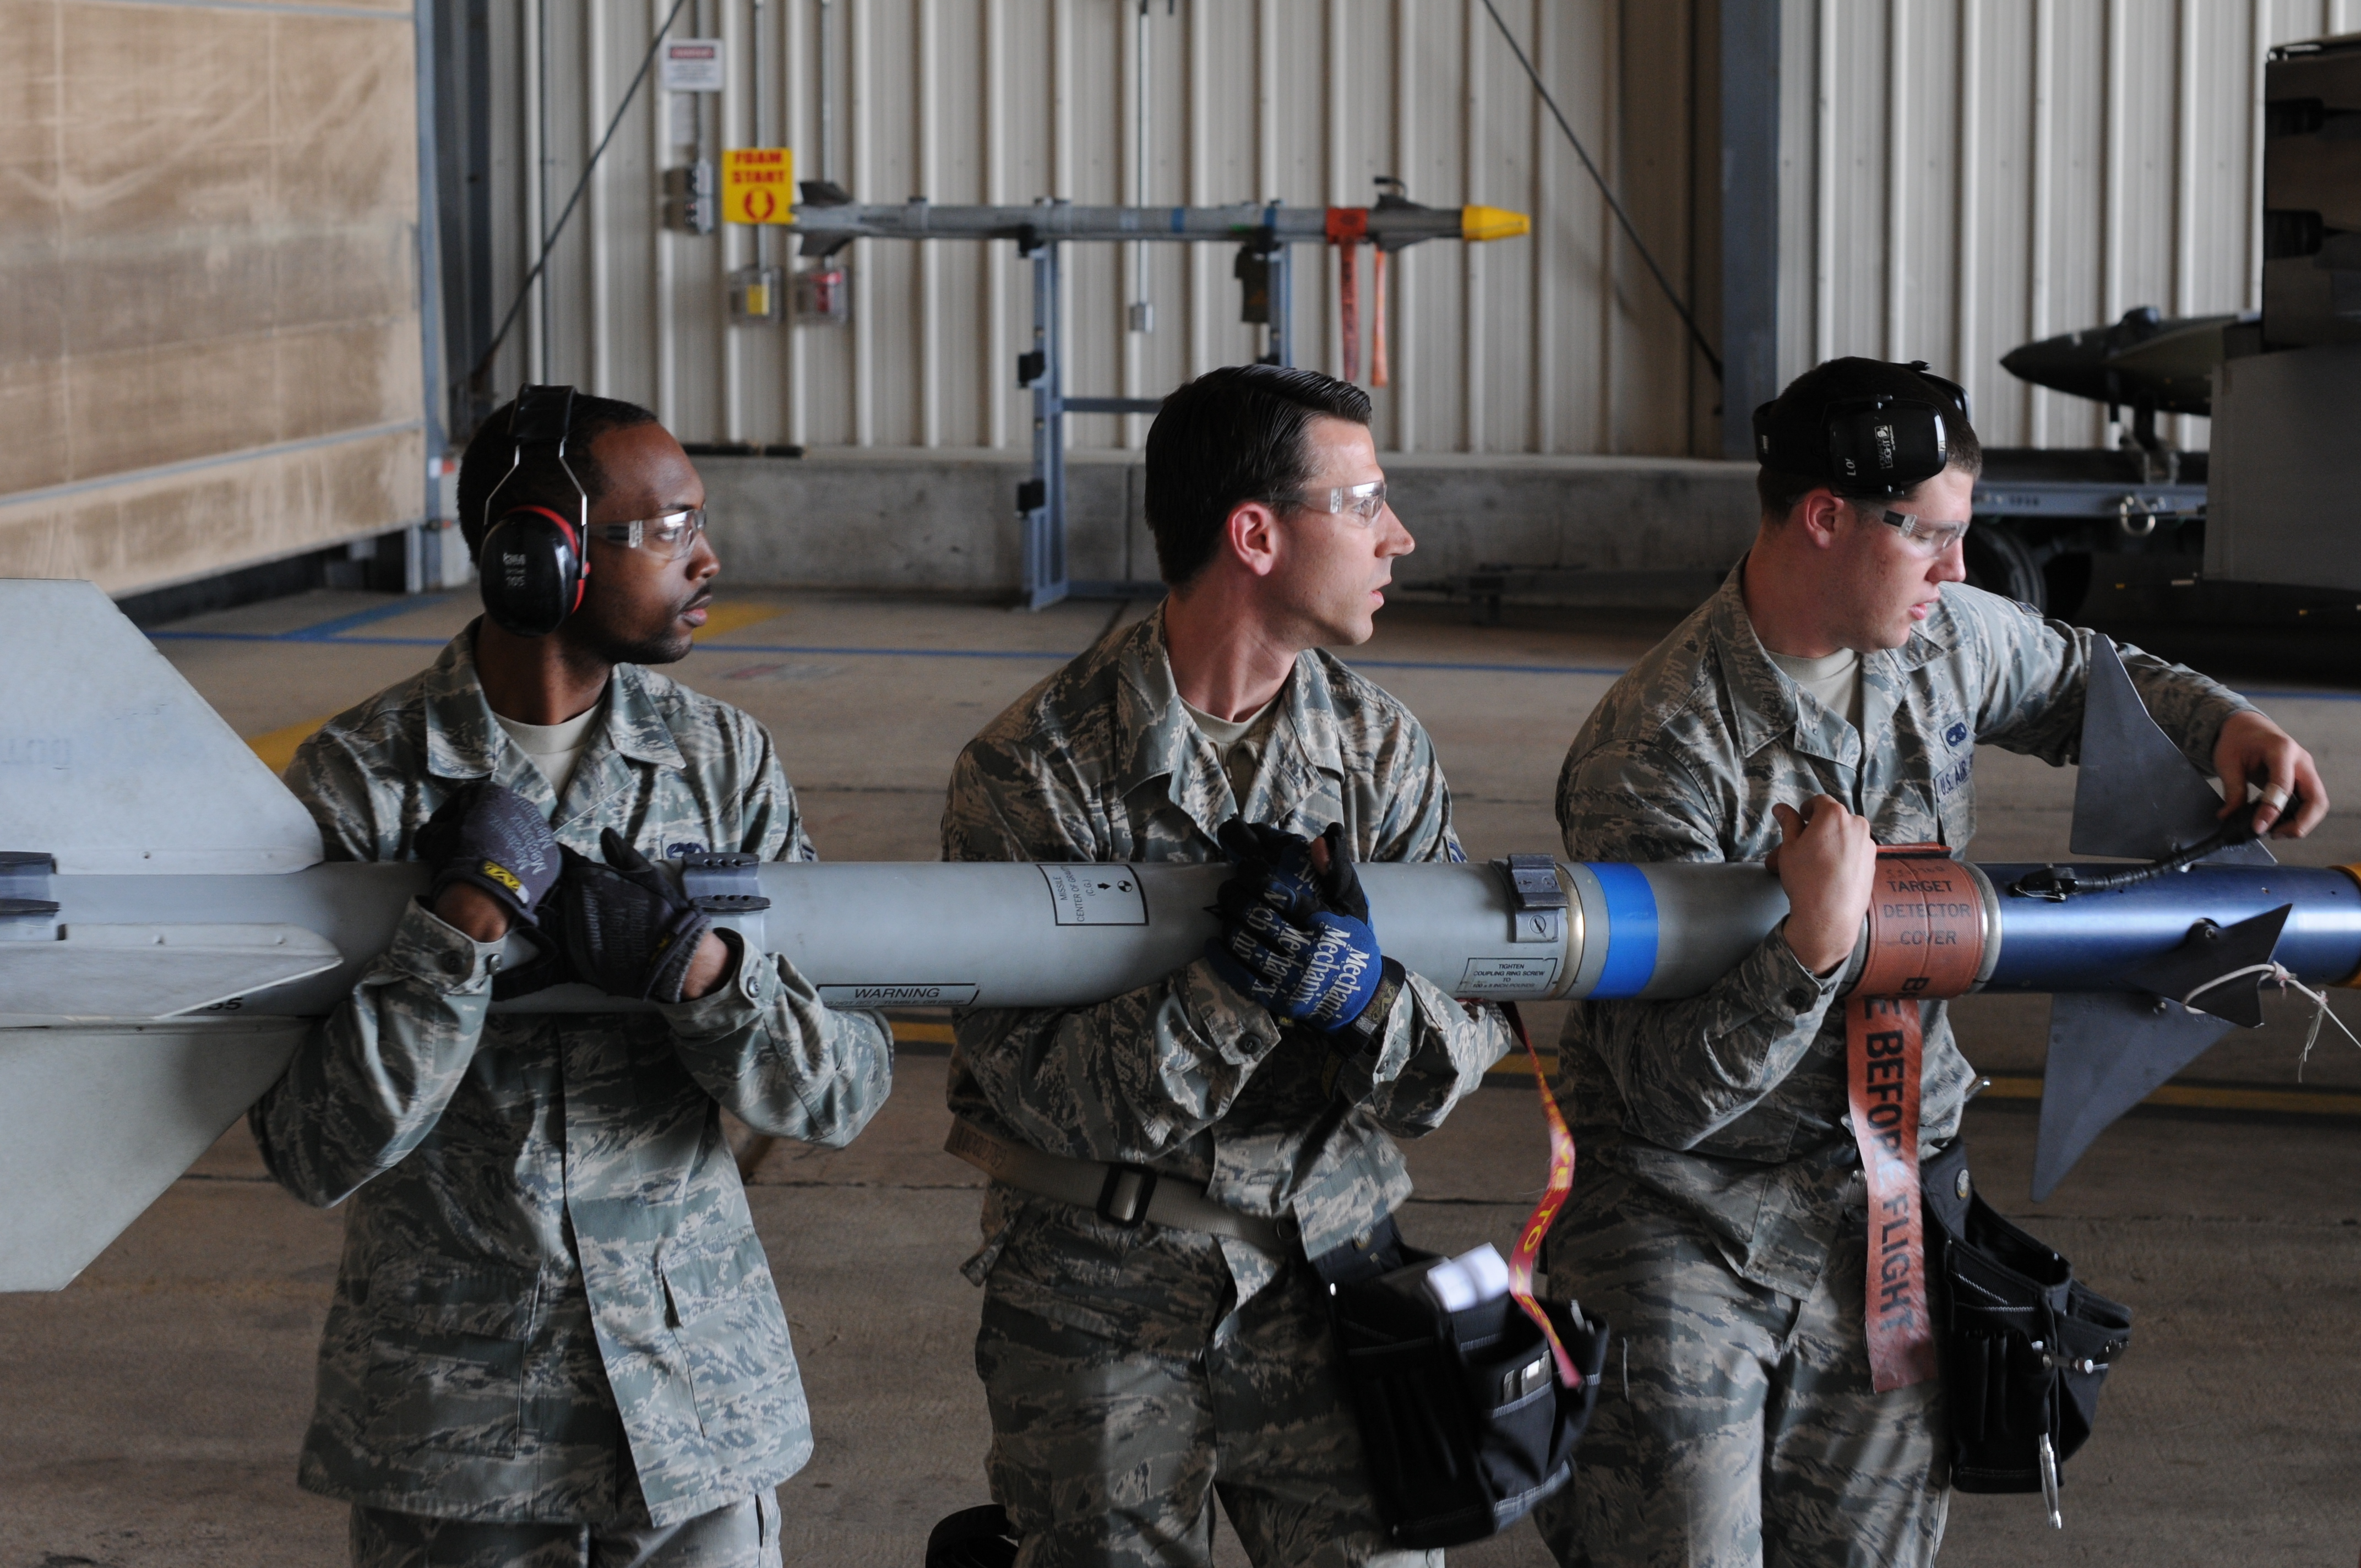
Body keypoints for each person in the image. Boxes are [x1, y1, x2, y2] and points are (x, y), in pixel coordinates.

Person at [1531, 357, 2329, 1568]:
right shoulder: (1660, 745)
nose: (1959, 569)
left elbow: (2079, 673)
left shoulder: (1940, 641)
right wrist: (1808, 946)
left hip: (1884, 1220)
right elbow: (1660, 1094)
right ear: (1823, 517)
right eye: (1933, 537)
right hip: (1688, 1232)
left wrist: (2222, 722)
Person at [250, 390, 893, 1568]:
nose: (708, 557)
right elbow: (317, 1146)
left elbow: (841, 1089)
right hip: (458, 1436)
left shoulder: (720, 761)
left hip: (694, 1410)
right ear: (536, 553)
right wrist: (459, 925)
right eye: (666, 528)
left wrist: (702, 975)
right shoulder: (362, 782)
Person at [938, 364, 1516, 1567]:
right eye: (1361, 504)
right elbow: (1044, 1092)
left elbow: (1461, 1051)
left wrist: (1358, 996)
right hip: (1097, 1300)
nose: (1397, 536)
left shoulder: (1377, 751)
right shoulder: (1036, 767)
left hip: (1332, 1279)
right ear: (1254, 532)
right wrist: (1236, 988)